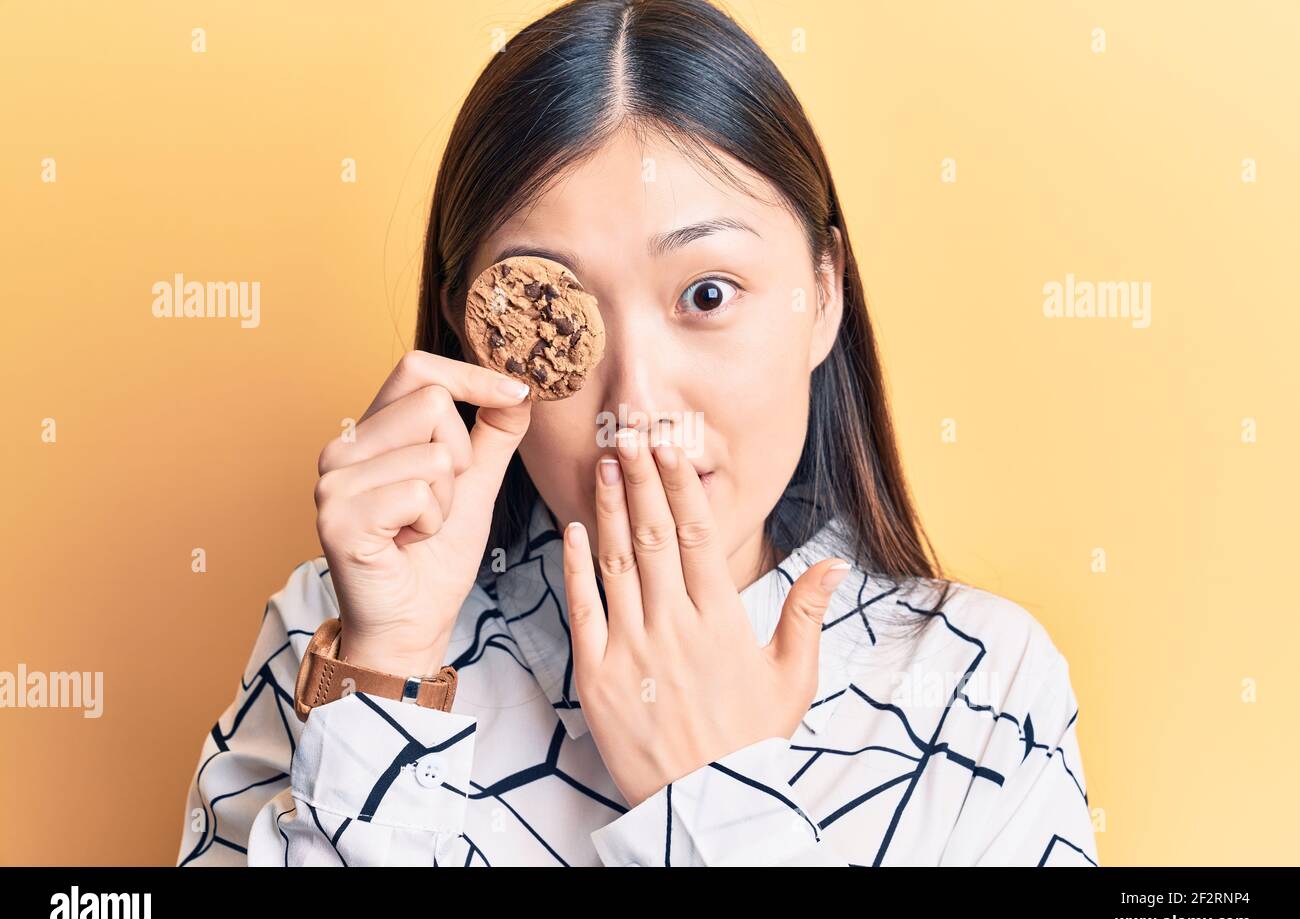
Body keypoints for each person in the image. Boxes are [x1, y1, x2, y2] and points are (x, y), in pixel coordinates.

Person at [176, 0, 1098, 867]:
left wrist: (715, 796)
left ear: (824, 293)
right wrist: (388, 677)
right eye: (556, 308)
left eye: (707, 294)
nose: (637, 404)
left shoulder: (979, 688)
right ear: (477, 337)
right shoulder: (339, 629)